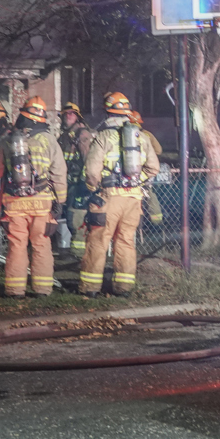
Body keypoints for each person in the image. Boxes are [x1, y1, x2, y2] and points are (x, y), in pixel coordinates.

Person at [80, 92, 158, 298]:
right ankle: (123, 288)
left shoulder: (104, 136)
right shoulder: (142, 137)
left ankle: (90, 288)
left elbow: (91, 171)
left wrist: (93, 189)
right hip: (134, 199)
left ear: (108, 112)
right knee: (126, 241)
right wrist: (135, 181)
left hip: (109, 198)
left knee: (98, 240)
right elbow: (153, 168)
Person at [0, 96, 67, 298]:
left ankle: (15, 290)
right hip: (42, 203)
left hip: (14, 203)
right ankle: (42, 290)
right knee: (41, 244)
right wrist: (61, 203)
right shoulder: (49, 140)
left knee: (17, 245)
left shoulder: (8, 141)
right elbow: (59, 173)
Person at [58, 102, 93, 257]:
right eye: (66, 113)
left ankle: (80, 254)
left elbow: (88, 159)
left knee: (76, 217)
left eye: (72, 113)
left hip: (80, 183)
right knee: (69, 215)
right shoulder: (64, 136)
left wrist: (86, 183)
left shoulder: (82, 134)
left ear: (78, 116)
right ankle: (77, 251)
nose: (69, 115)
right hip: (68, 182)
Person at [128, 110, 163, 226]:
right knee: (149, 195)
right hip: (145, 172)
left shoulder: (125, 134)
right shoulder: (146, 134)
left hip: (129, 172)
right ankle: (157, 224)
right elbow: (158, 150)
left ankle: (137, 225)